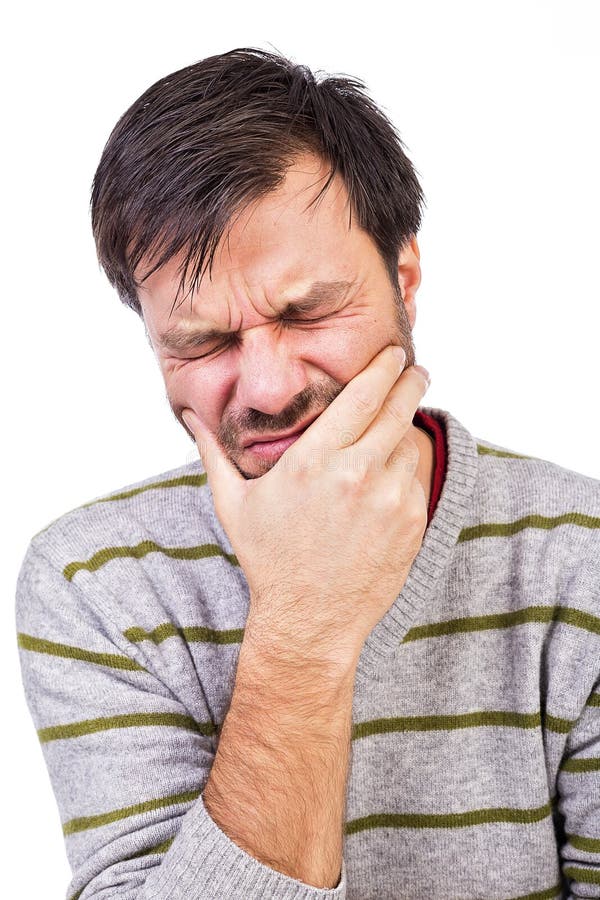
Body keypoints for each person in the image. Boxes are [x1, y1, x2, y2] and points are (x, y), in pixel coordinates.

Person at [15, 46, 600, 900]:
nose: (269, 387)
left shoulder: (580, 558)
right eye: (202, 342)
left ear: (405, 279)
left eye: (308, 311)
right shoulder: (95, 584)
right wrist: (304, 628)